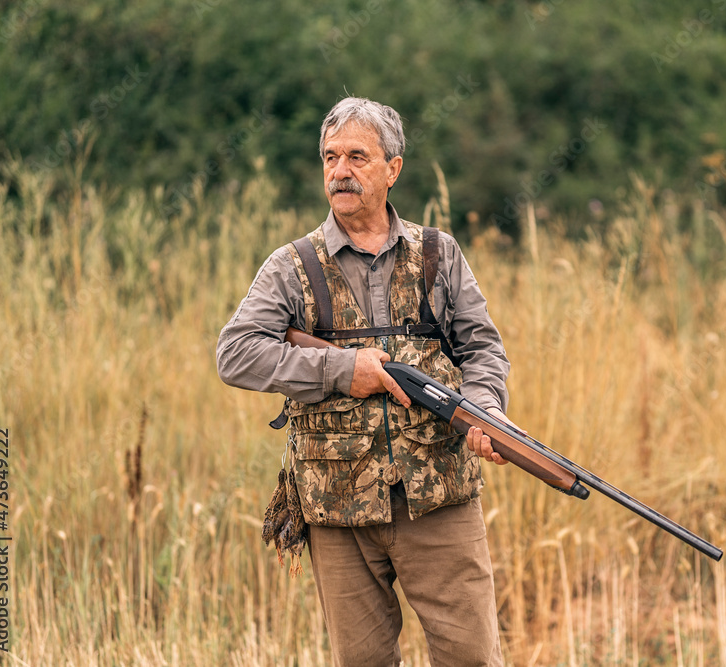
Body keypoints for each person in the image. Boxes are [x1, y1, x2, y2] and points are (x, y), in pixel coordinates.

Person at [216, 96, 512, 666]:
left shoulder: (438, 254)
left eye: (357, 156)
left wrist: (483, 410)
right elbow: (235, 353)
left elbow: (482, 348)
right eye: (330, 157)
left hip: (439, 500)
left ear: (393, 168)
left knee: (473, 660)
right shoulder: (291, 266)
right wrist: (339, 370)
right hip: (338, 508)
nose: (340, 171)